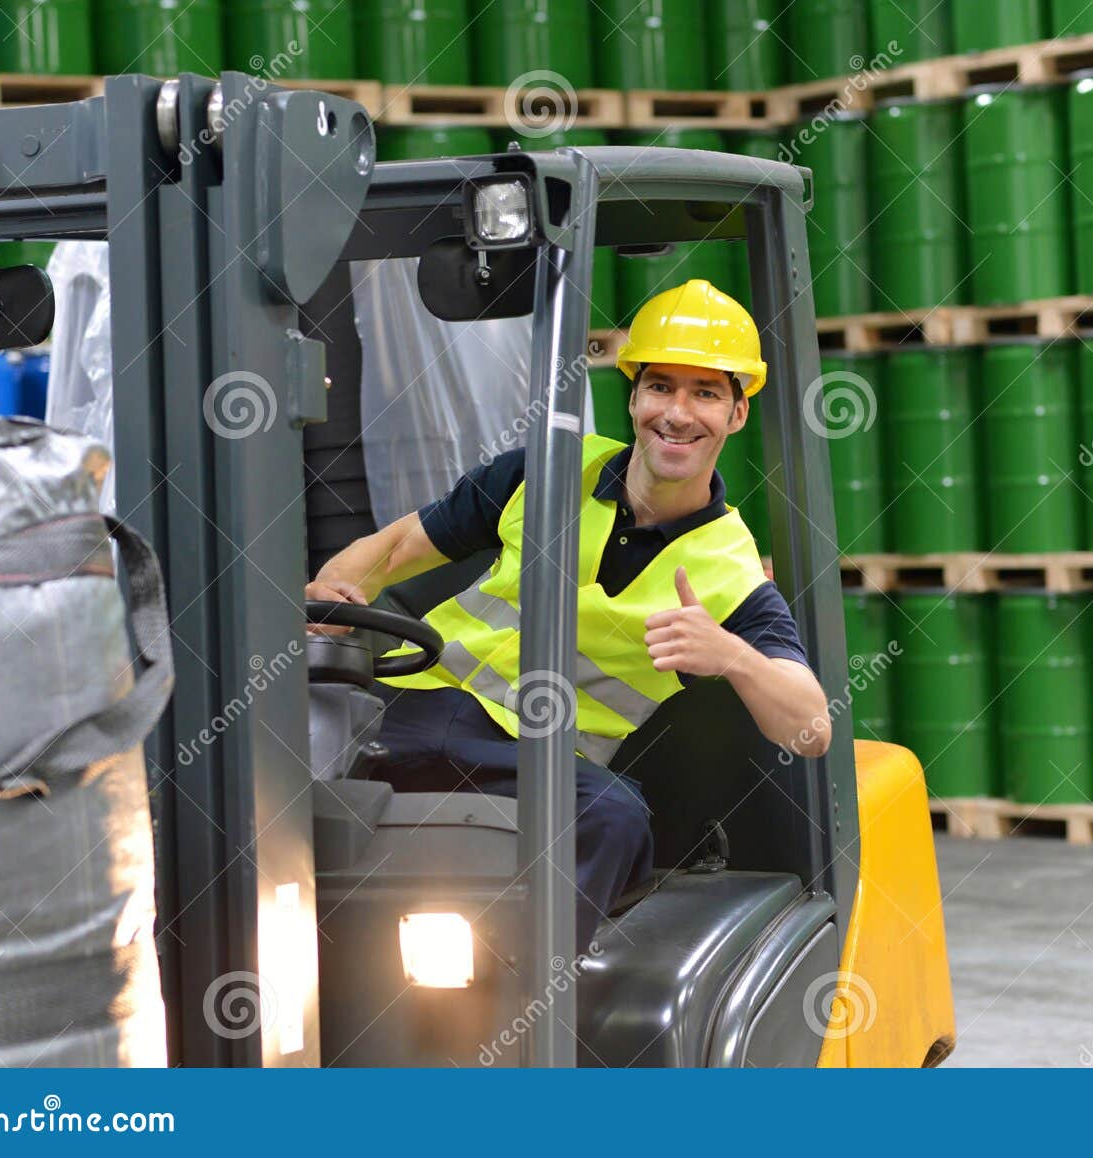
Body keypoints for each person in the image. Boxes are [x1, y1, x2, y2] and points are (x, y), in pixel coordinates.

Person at [305, 279, 830, 950]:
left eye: (706, 393)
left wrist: (732, 655)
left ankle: (524, 997)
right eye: (661, 386)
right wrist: (333, 591)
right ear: (634, 394)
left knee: (616, 818)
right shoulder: (547, 472)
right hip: (412, 712)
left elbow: (811, 727)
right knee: (272, 766)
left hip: (540, 758)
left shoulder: (731, 570)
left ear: (736, 414)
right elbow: (397, 547)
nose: (677, 412)